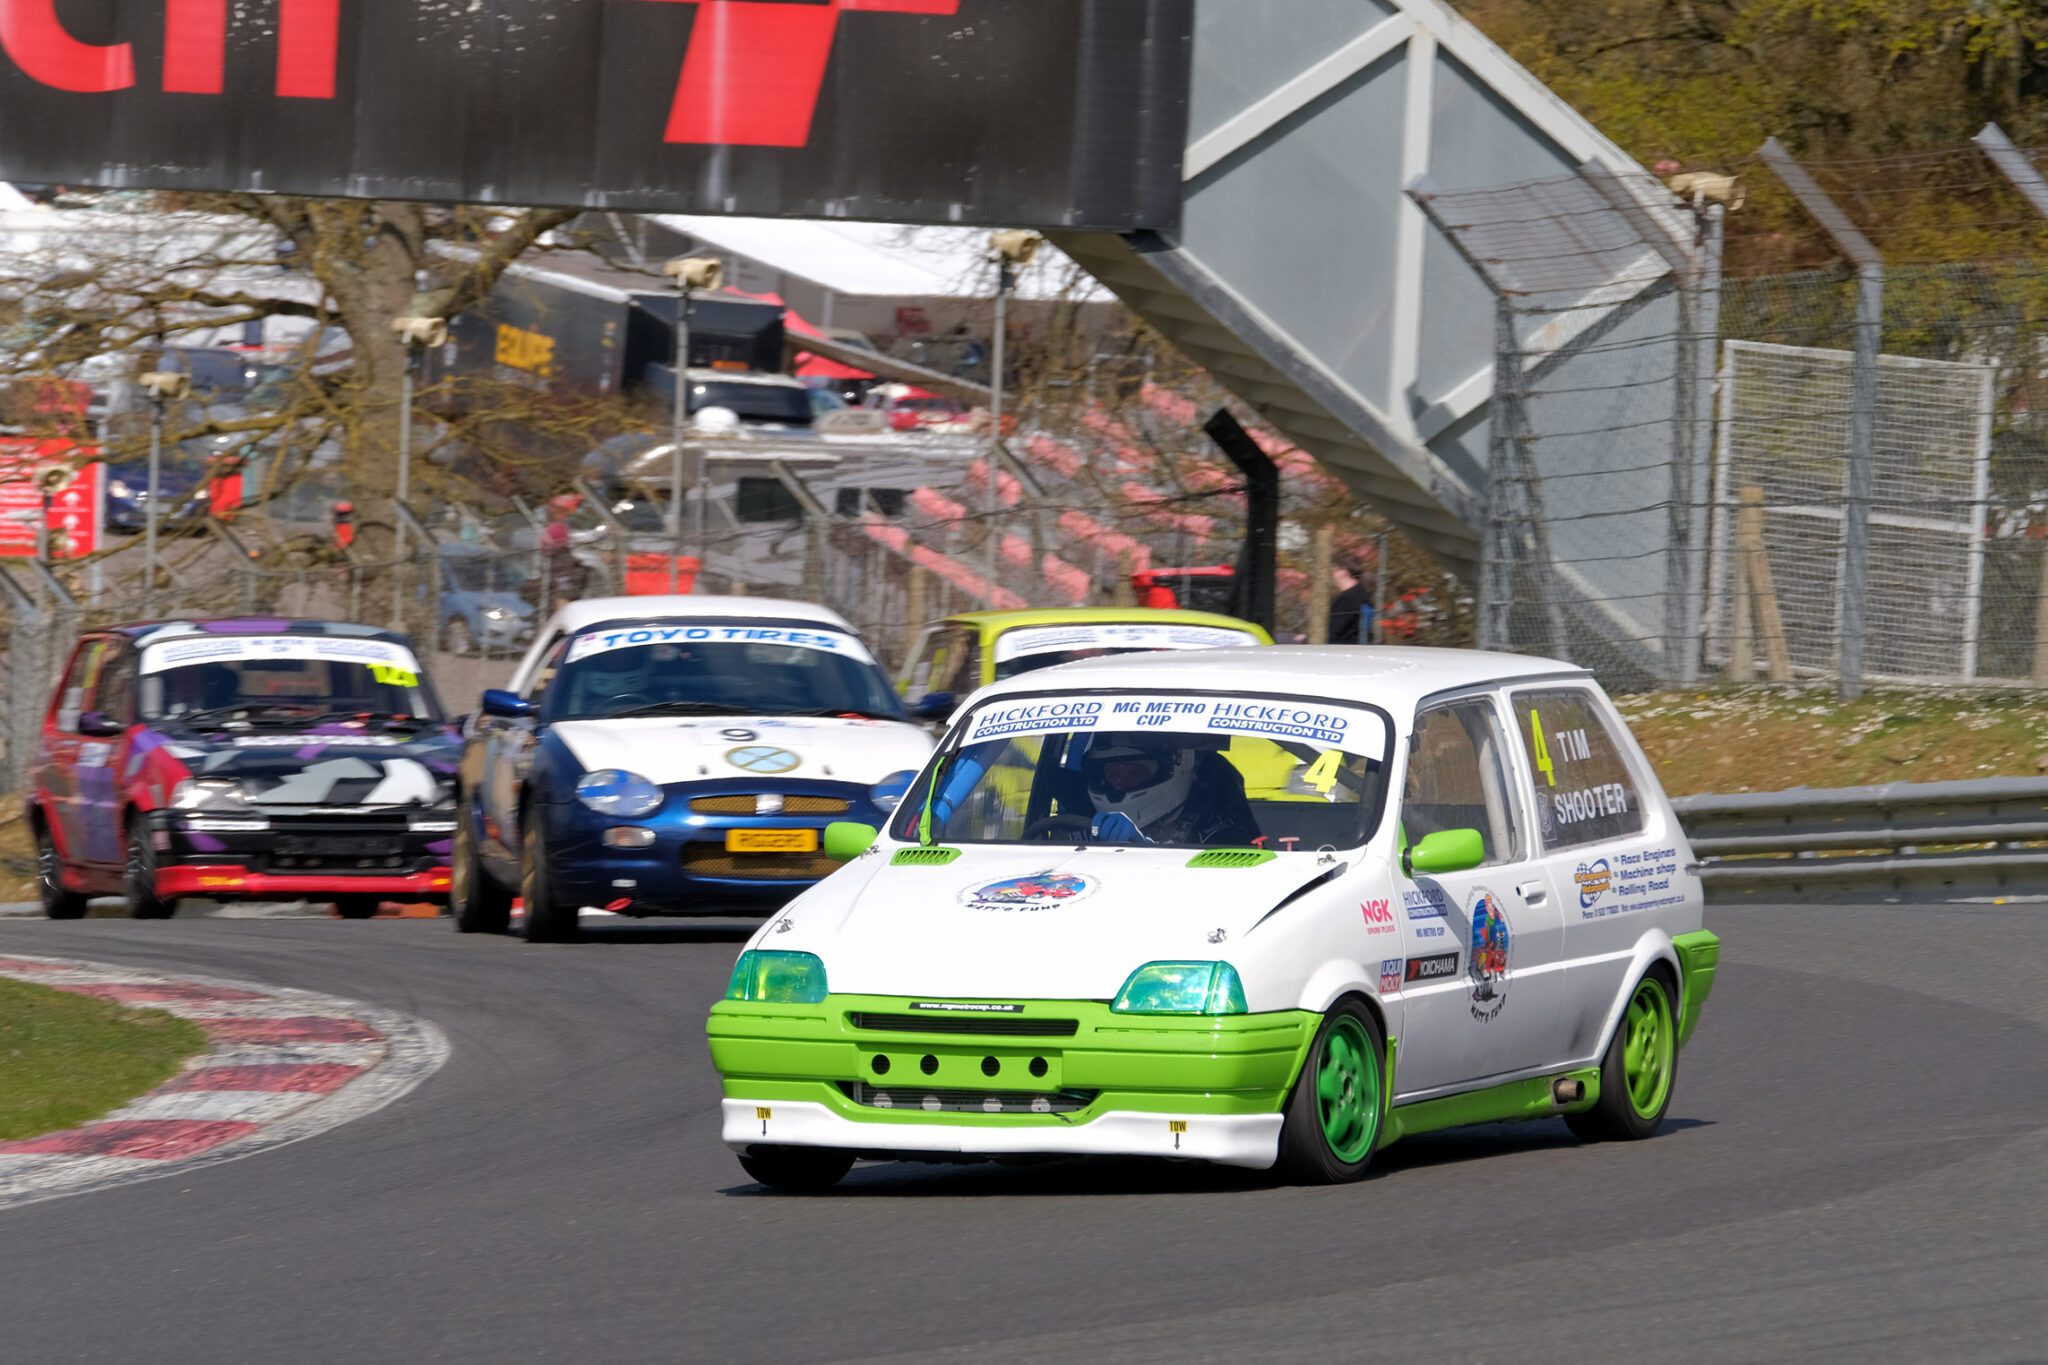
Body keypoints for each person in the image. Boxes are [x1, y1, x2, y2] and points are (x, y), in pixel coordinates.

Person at [1082, 735, 1260, 846]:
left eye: (1134, 774)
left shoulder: (1220, 836)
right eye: (1112, 776)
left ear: (1179, 768)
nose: (1121, 785)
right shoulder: (1080, 827)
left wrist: (1147, 851)